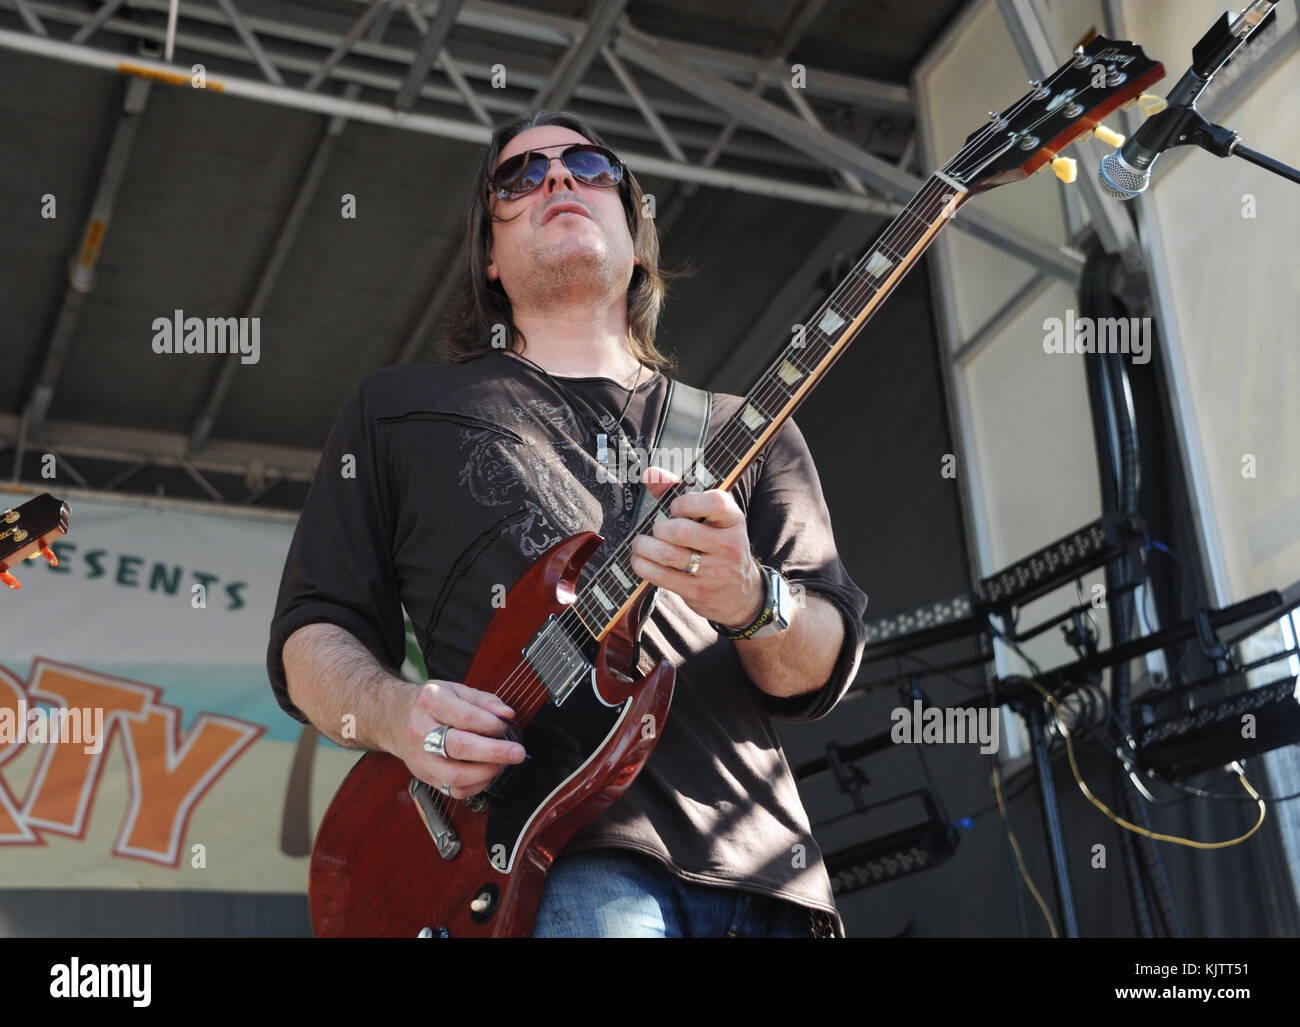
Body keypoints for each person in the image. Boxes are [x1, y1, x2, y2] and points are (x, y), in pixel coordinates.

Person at [266, 109, 867, 938]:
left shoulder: (747, 430)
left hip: (770, 876)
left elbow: (819, 666)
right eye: (519, 176)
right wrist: (393, 715)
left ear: (634, 226)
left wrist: (752, 597)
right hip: (553, 868)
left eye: (588, 166)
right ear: (489, 253)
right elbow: (311, 636)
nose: (556, 179)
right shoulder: (398, 412)